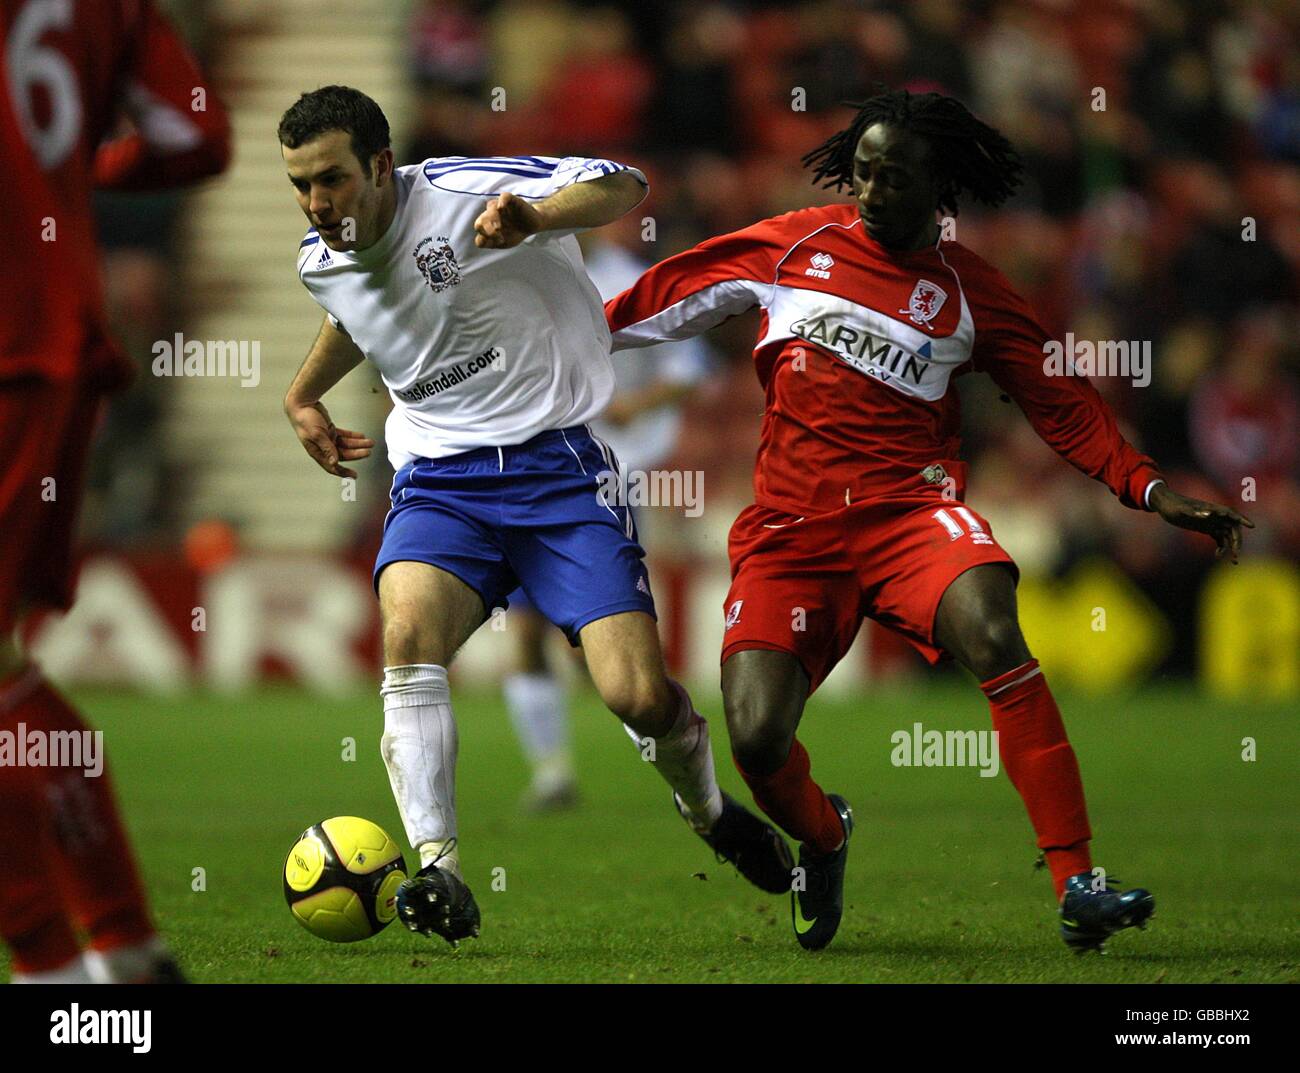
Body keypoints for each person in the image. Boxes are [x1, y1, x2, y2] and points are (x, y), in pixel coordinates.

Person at [604, 89, 1252, 953]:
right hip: (790, 536)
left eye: (894, 177)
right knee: (757, 738)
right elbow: (658, 298)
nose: (871, 190)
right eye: (863, 171)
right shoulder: (796, 244)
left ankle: (1078, 883)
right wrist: (552, 348)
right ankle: (826, 837)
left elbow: (1057, 402)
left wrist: (1147, 488)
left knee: (993, 628)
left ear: (939, 189)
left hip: (910, 516)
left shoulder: (970, 292)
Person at [278, 86, 792, 948]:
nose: (317, 203)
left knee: (633, 693)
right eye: (299, 184)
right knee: (407, 636)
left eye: (331, 179)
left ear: (379, 165)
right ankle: (438, 869)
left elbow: (625, 185)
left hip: (561, 468)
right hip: (441, 480)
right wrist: (302, 396)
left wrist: (535, 215)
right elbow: (356, 313)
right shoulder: (320, 255)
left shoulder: (467, 189)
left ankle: (703, 804)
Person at [0, 0, 231, 982]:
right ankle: (121, 942)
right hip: (58, 328)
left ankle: (56, 968)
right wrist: (69, 176)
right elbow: (196, 135)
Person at [503, 230, 715, 813]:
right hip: (532, 471)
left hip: (610, 474)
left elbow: (687, 367)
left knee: (593, 647)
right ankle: (551, 774)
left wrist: (633, 407)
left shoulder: (636, 279)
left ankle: (678, 766)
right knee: (523, 633)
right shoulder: (522, 275)